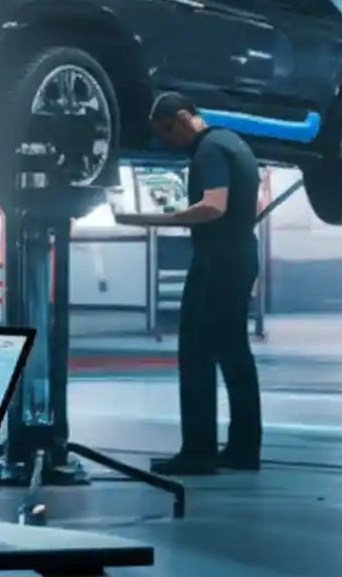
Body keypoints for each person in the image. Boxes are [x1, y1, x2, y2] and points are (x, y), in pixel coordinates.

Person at [115, 92, 263, 476]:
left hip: (217, 262)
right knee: (234, 355)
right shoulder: (234, 143)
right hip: (241, 254)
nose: (167, 142)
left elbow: (214, 205)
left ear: (182, 118)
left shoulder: (209, 150)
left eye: (166, 132)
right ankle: (244, 449)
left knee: (196, 353)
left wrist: (155, 220)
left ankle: (197, 451)